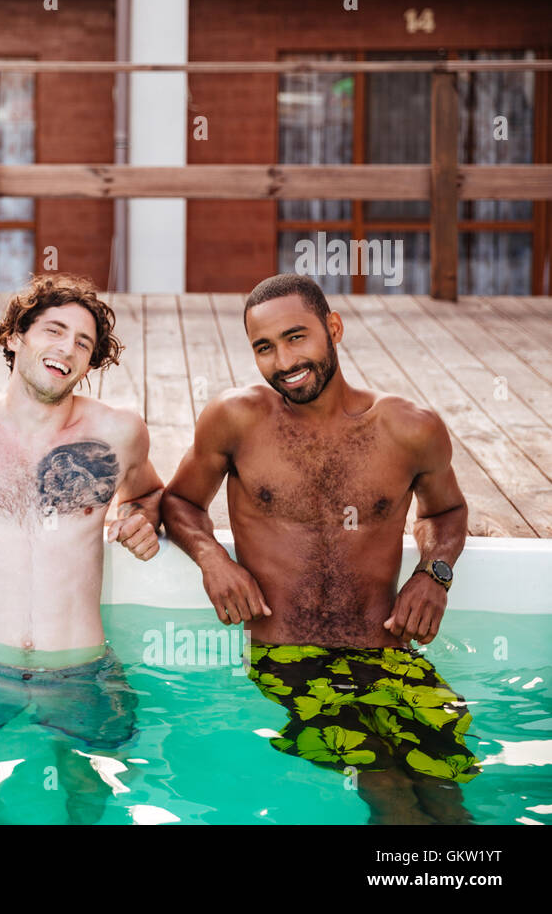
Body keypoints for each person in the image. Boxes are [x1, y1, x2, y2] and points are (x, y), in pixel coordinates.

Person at [161, 273, 476, 824]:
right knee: (386, 788)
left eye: (296, 337)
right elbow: (179, 502)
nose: (284, 361)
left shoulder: (409, 428)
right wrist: (214, 559)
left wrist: (434, 574)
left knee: (446, 789)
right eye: (265, 347)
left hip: (387, 655)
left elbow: (446, 512)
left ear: (333, 327)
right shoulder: (236, 419)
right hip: (288, 658)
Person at [0, 273, 162, 824]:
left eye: (83, 343)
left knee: (89, 800)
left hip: (82, 669)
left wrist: (140, 517)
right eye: (54, 330)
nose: (67, 349)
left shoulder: (119, 433)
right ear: (13, 337)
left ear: (91, 363)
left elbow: (149, 494)